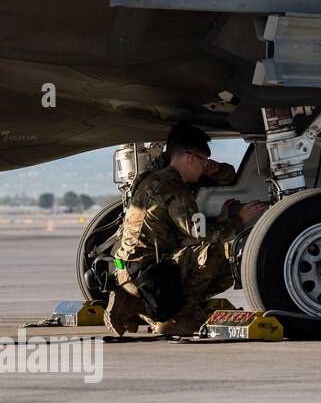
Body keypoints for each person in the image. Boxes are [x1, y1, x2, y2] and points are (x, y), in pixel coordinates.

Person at [105, 124, 266, 337]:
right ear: (190, 158)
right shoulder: (174, 188)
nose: (205, 168)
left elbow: (178, 232)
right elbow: (200, 236)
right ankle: (175, 317)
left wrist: (220, 219)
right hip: (150, 275)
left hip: (125, 269)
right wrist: (238, 220)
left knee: (201, 253)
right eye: (203, 162)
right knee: (225, 257)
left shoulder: (150, 179)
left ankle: (133, 302)